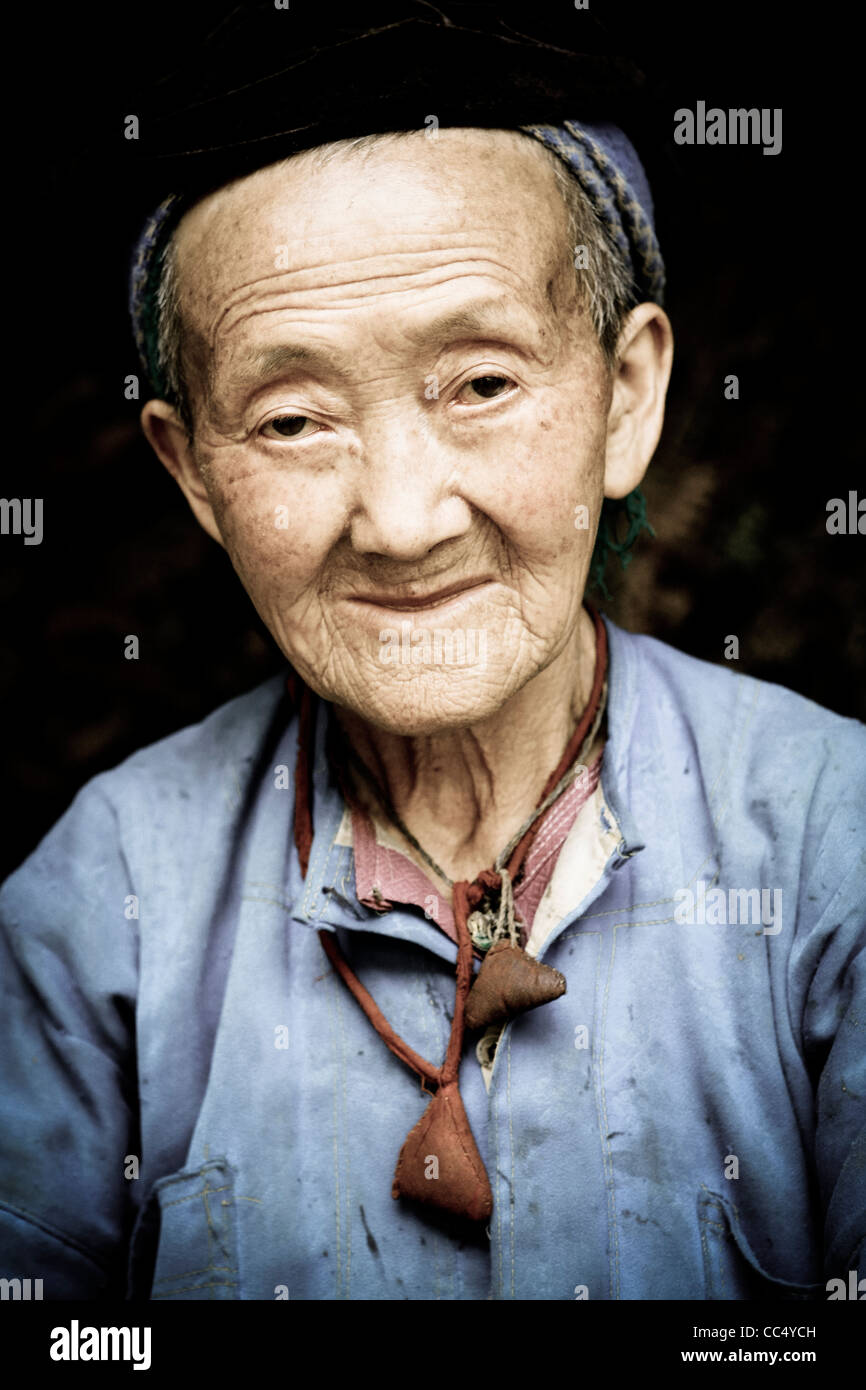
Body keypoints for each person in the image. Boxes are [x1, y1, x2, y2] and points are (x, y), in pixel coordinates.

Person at [1, 13, 863, 1302]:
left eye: (480, 385)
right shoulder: (98, 899)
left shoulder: (832, 838)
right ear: (192, 475)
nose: (402, 522)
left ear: (628, 397)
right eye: (293, 419)